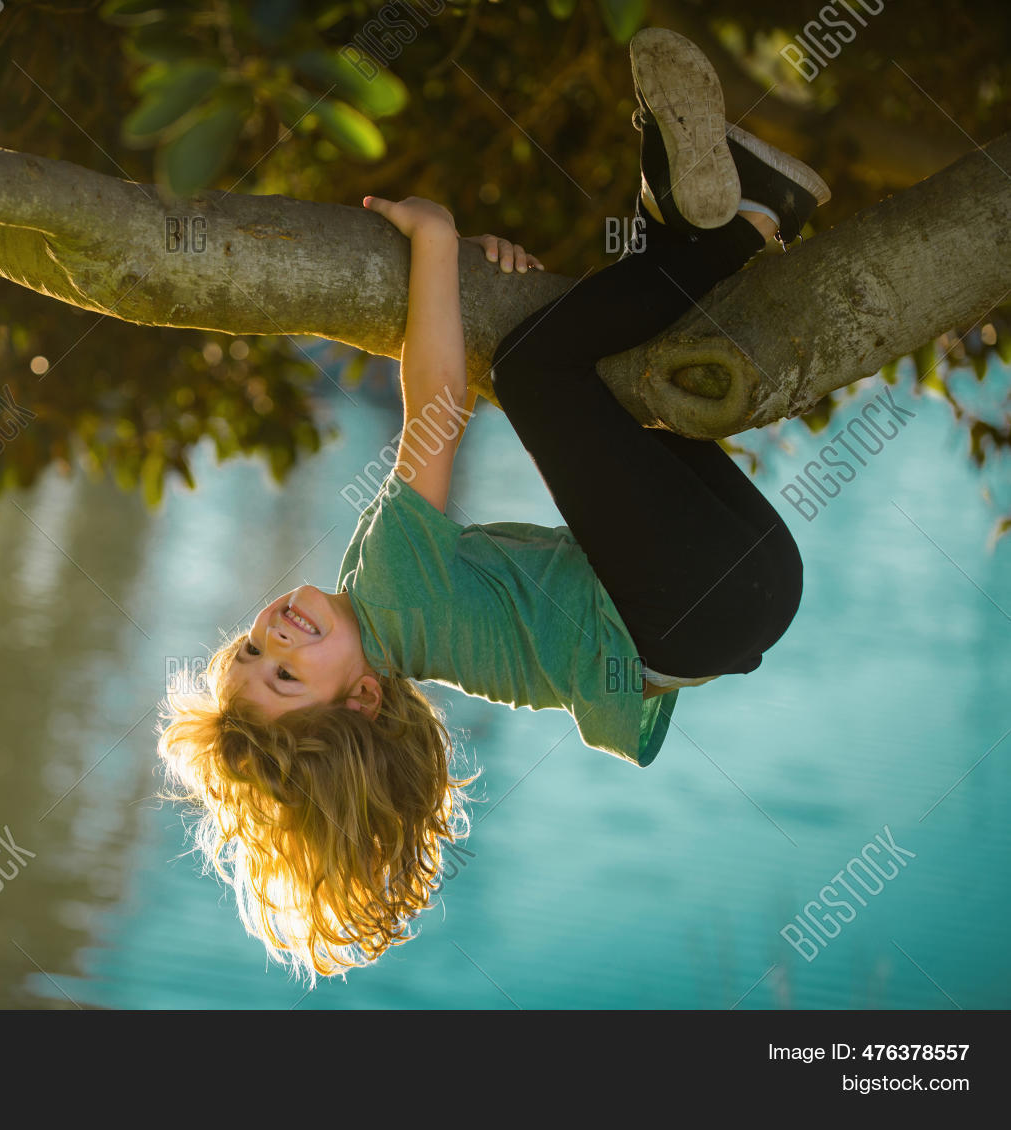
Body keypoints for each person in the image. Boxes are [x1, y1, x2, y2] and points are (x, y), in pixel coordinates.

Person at [157, 28, 830, 980]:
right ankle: (740, 230)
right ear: (364, 697)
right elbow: (437, 405)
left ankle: (700, 216)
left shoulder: (391, 611)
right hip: (693, 601)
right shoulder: (392, 594)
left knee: (618, 381)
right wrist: (435, 238)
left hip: (737, 599)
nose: (273, 638)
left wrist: (465, 277)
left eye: (250, 654)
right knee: (537, 373)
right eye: (288, 675)